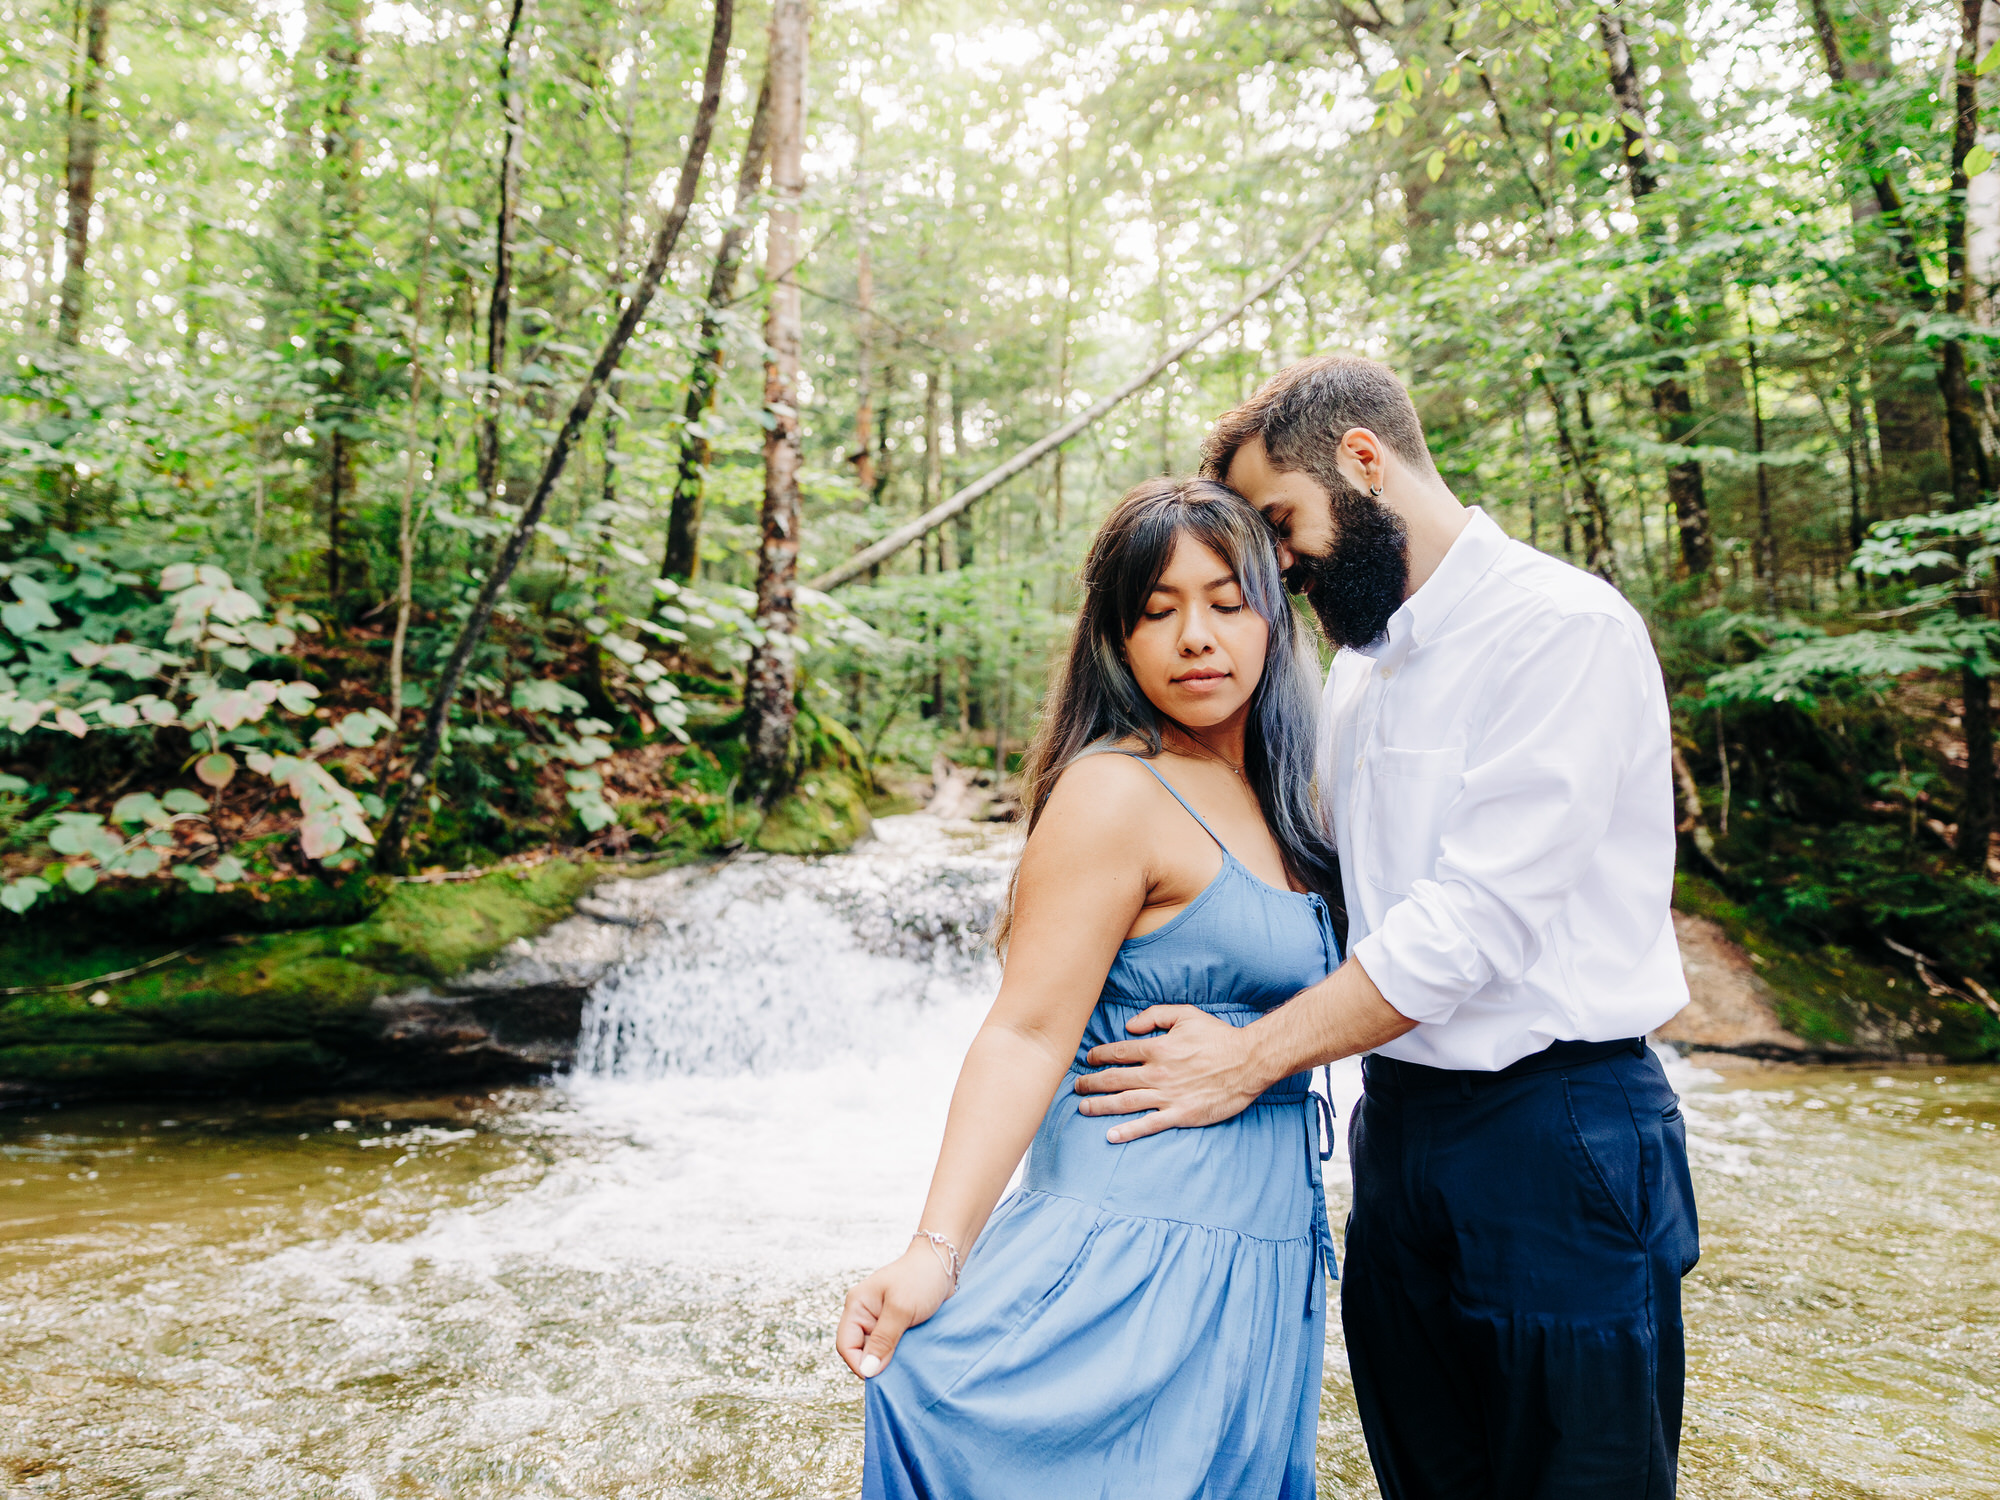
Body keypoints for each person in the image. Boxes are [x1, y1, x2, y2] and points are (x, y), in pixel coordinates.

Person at [1073, 355, 1701, 1499]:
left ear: (1361, 462)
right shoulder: (1362, 672)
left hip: (1558, 1133)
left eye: (1280, 524)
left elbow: (1471, 925)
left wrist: (1246, 1061)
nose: (1278, 567)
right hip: (1399, 1137)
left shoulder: (1557, 629)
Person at [836, 476, 1344, 1498]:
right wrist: (935, 1250)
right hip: (1130, 1251)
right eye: (1157, 611)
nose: (1194, 635)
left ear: (1271, 612)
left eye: (1223, 600)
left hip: (1263, 1250)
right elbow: (1024, 1036)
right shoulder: (1114, 791)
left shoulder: (1295, 791)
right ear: (1117, 640)